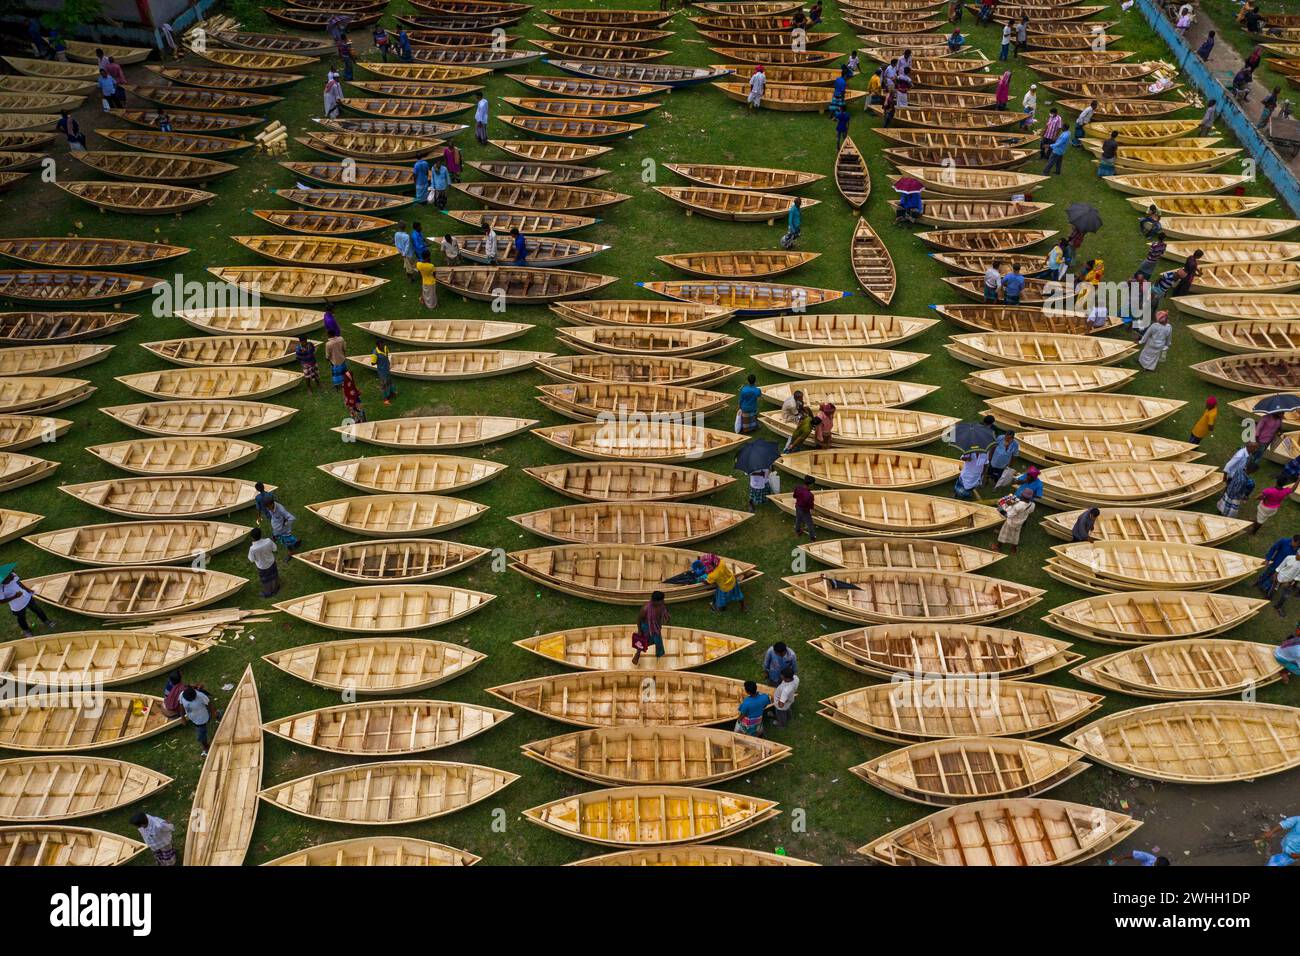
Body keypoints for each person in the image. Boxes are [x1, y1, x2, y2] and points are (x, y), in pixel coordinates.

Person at [0, 565, 53, 637]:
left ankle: (47, 621)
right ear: (4, 580)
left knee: (38, 609)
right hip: (18, 606)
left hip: (27, 597)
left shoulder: (12, 575)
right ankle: (26, 630)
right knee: (21, 618)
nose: (13, 578)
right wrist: (15, 596)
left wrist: (28, 589)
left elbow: (18, 582)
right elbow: (1, 601)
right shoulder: (1, 588)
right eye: (10, 578)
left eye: (12, 575)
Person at [994, 487, 1036, 554]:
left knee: (1003, 533)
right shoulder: (1032, 505)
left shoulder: (1018, 505)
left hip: (1011, 522)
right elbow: (1030, 512)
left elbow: (1009, 515)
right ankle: (1013, 549)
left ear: (1022, 495)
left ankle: (998, 547)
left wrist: (1002, 507)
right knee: (1016, 535)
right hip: (1020, 523)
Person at [633, 591, 668, 664]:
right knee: (643, 642)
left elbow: (663, 611)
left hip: (656, 627)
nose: (663, 602)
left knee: (658, 641)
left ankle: (659, 654)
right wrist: (640, 631)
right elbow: (639, 619)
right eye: (661, 601)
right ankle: (637, 654)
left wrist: (665, 616)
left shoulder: (661, 604)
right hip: (646, 628)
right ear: (655, 601)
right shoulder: (645, 609)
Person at [180, 686, 215, 757]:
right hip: (194, 719)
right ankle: (206, 746)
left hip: (202, 719)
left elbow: (209, 704)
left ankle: (206, 747)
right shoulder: (182, 695)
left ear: (195, 696)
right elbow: (181, 705)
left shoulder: (201, 696)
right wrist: (182, 717)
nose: (188, 701)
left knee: (201, 735)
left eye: (190, 700)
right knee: (202, 735)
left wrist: (213, 713)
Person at [248, 527, 279, 598]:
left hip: (262, 567)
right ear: (261, 534)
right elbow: (275, 548)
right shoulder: (268, 541)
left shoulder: (252, 549)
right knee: (274, 575)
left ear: (252, 538)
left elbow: (251, 559)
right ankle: (276, 588)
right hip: (271, 562)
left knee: (266, 580)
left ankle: (268, 593)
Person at [793, 475, 816, 540]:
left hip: (797, 507)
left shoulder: (797, 488)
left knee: (798, 519)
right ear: (810, 484)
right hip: (805, 510)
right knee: (810, 523)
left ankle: (797, 530)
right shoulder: (810, 495)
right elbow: (810, 505)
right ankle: (812, 537)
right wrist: (812, 509)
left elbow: (794, 496)